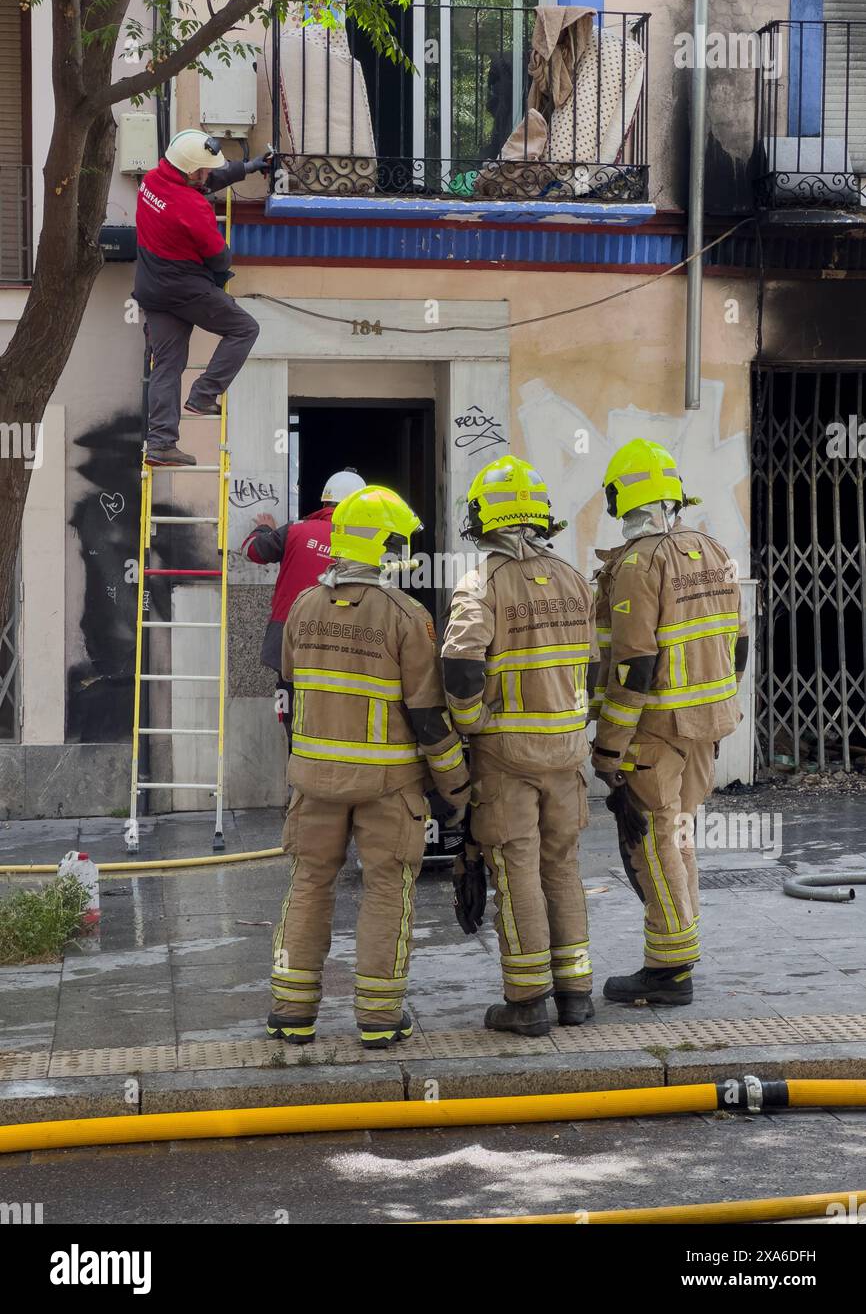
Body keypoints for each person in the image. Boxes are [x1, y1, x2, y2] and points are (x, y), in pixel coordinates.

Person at [269, 484, 470, 1049]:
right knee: (387, 888)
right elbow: (428, 715)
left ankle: (292, 1011)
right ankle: (380, 1018)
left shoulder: (304, 606)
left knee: (309, 882)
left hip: (313, 781)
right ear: (387, 546)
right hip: (388, 784)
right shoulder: (408, 616)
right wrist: (455, 783)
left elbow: (290, 683)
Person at [441, 454, 599, 1038]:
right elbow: (593, 665)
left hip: (507, 755)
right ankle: (575, 992)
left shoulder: (482, 583)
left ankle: (528, 1000)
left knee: (516, 869)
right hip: (566, 751)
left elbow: (460, 666)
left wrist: (471, 723)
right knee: (563, 866)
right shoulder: (574, 579)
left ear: (486, 521)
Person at [591, 438, 748, 1006]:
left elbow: (634, 666)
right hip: (706, 723)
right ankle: (678, 946)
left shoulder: (638, 563)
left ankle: (669, 968)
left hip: (655, 729)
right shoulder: (713, 549)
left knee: (656, 840)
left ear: (622, 498)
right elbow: (740, 644)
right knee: (679, 834)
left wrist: (609, 748)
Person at [134, 129, 272, 467]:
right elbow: (219, 258)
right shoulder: (191, 205)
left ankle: (161, 445)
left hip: (152, 289)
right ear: (191, 172)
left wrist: (250, 166)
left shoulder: (152, 180)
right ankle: (204, 394)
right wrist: (223, 260)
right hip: (185, 288)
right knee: (244, 329)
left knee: (166, 365)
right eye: (205, 170)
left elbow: (207, 179)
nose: (209, 174)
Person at [240, 469, 366, 741]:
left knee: (292, 710)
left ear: (324, 503)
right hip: (341, 642)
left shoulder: (295, 531)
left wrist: (264, 529)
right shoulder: (364, 543)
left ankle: (297, 769)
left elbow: (250, 549)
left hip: (288, 642)